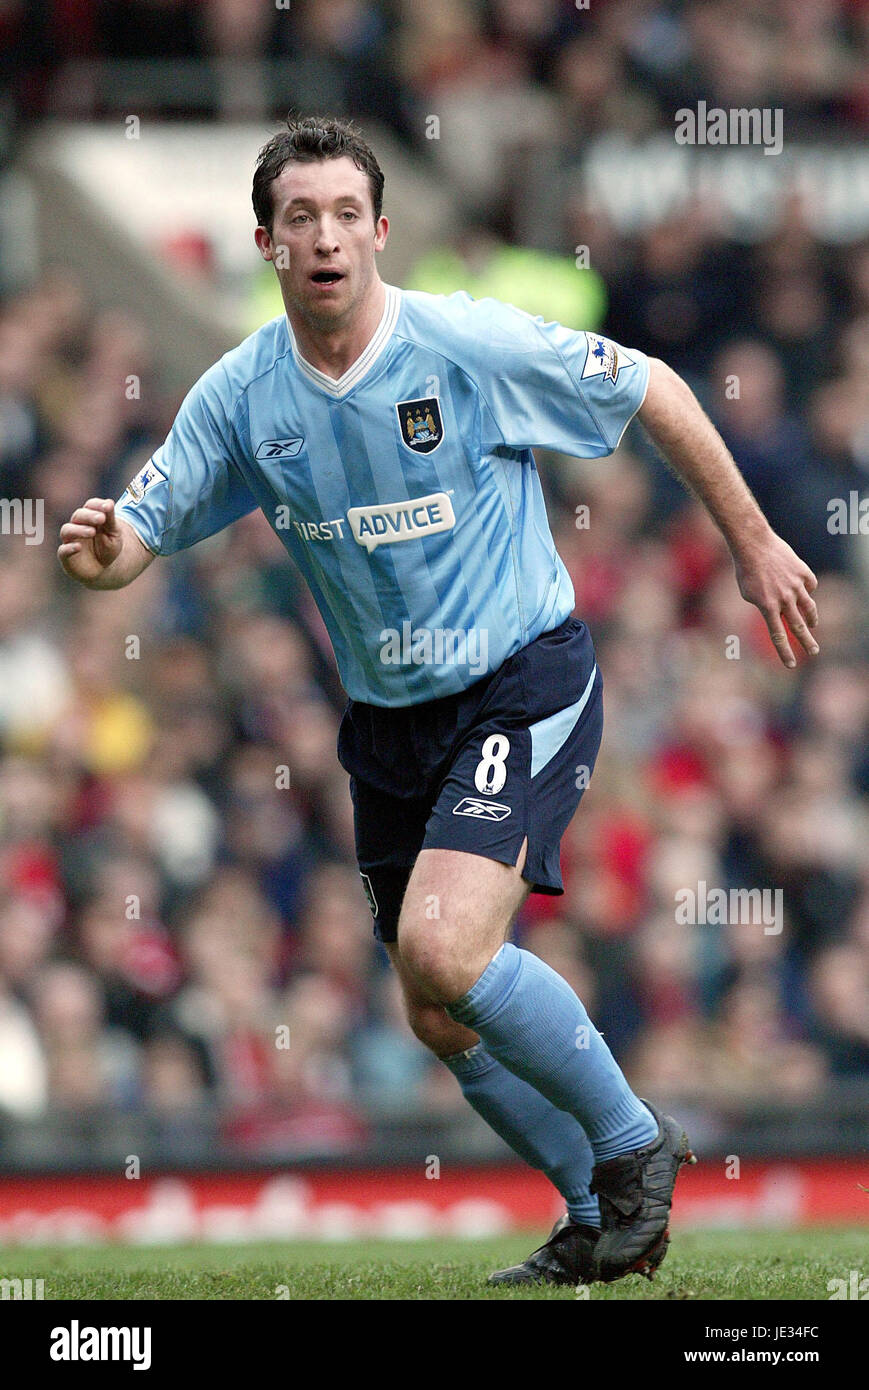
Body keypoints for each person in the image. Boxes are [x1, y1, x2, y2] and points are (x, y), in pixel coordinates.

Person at [58, 115, 820, 1287]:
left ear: (379, 228)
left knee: (442, 946)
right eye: (298, 217)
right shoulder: (237, 396)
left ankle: (633, 1142)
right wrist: (99, 546)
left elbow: (653, 384)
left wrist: (754, 540)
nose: (323, 237)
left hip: (520, 680)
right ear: (265, 242)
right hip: (387, 726)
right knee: (436, 1012)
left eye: (343, 213)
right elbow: (130, 543)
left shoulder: (463, 344)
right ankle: (594, 1218)